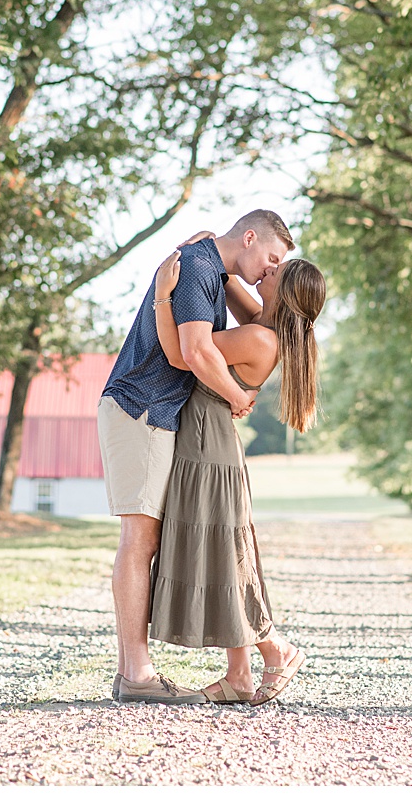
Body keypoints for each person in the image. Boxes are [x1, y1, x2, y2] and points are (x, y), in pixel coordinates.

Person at [98, 210, 293, 704]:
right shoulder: (198, 268)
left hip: (160, 414)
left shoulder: (210, 270)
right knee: (139, 540)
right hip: (142, 407)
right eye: (271, 257)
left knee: (156, 540)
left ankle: (135, 672)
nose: (270, 269)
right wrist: (237, 395)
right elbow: (191, 353)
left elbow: (244, 326)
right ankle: (138, 673)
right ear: (249, 237)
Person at [146, 250, 326, 706]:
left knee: (225, 559)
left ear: (284, 294)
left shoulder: (258, 339)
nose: (268, 268)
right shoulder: (261, 322)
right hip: (208, 443)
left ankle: (276, 649)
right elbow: (226, 278)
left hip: (209, 448)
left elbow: (182, 355)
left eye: (278, 271)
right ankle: (239, 675)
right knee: (223, 554)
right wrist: (209, 250)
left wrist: (163, 297)